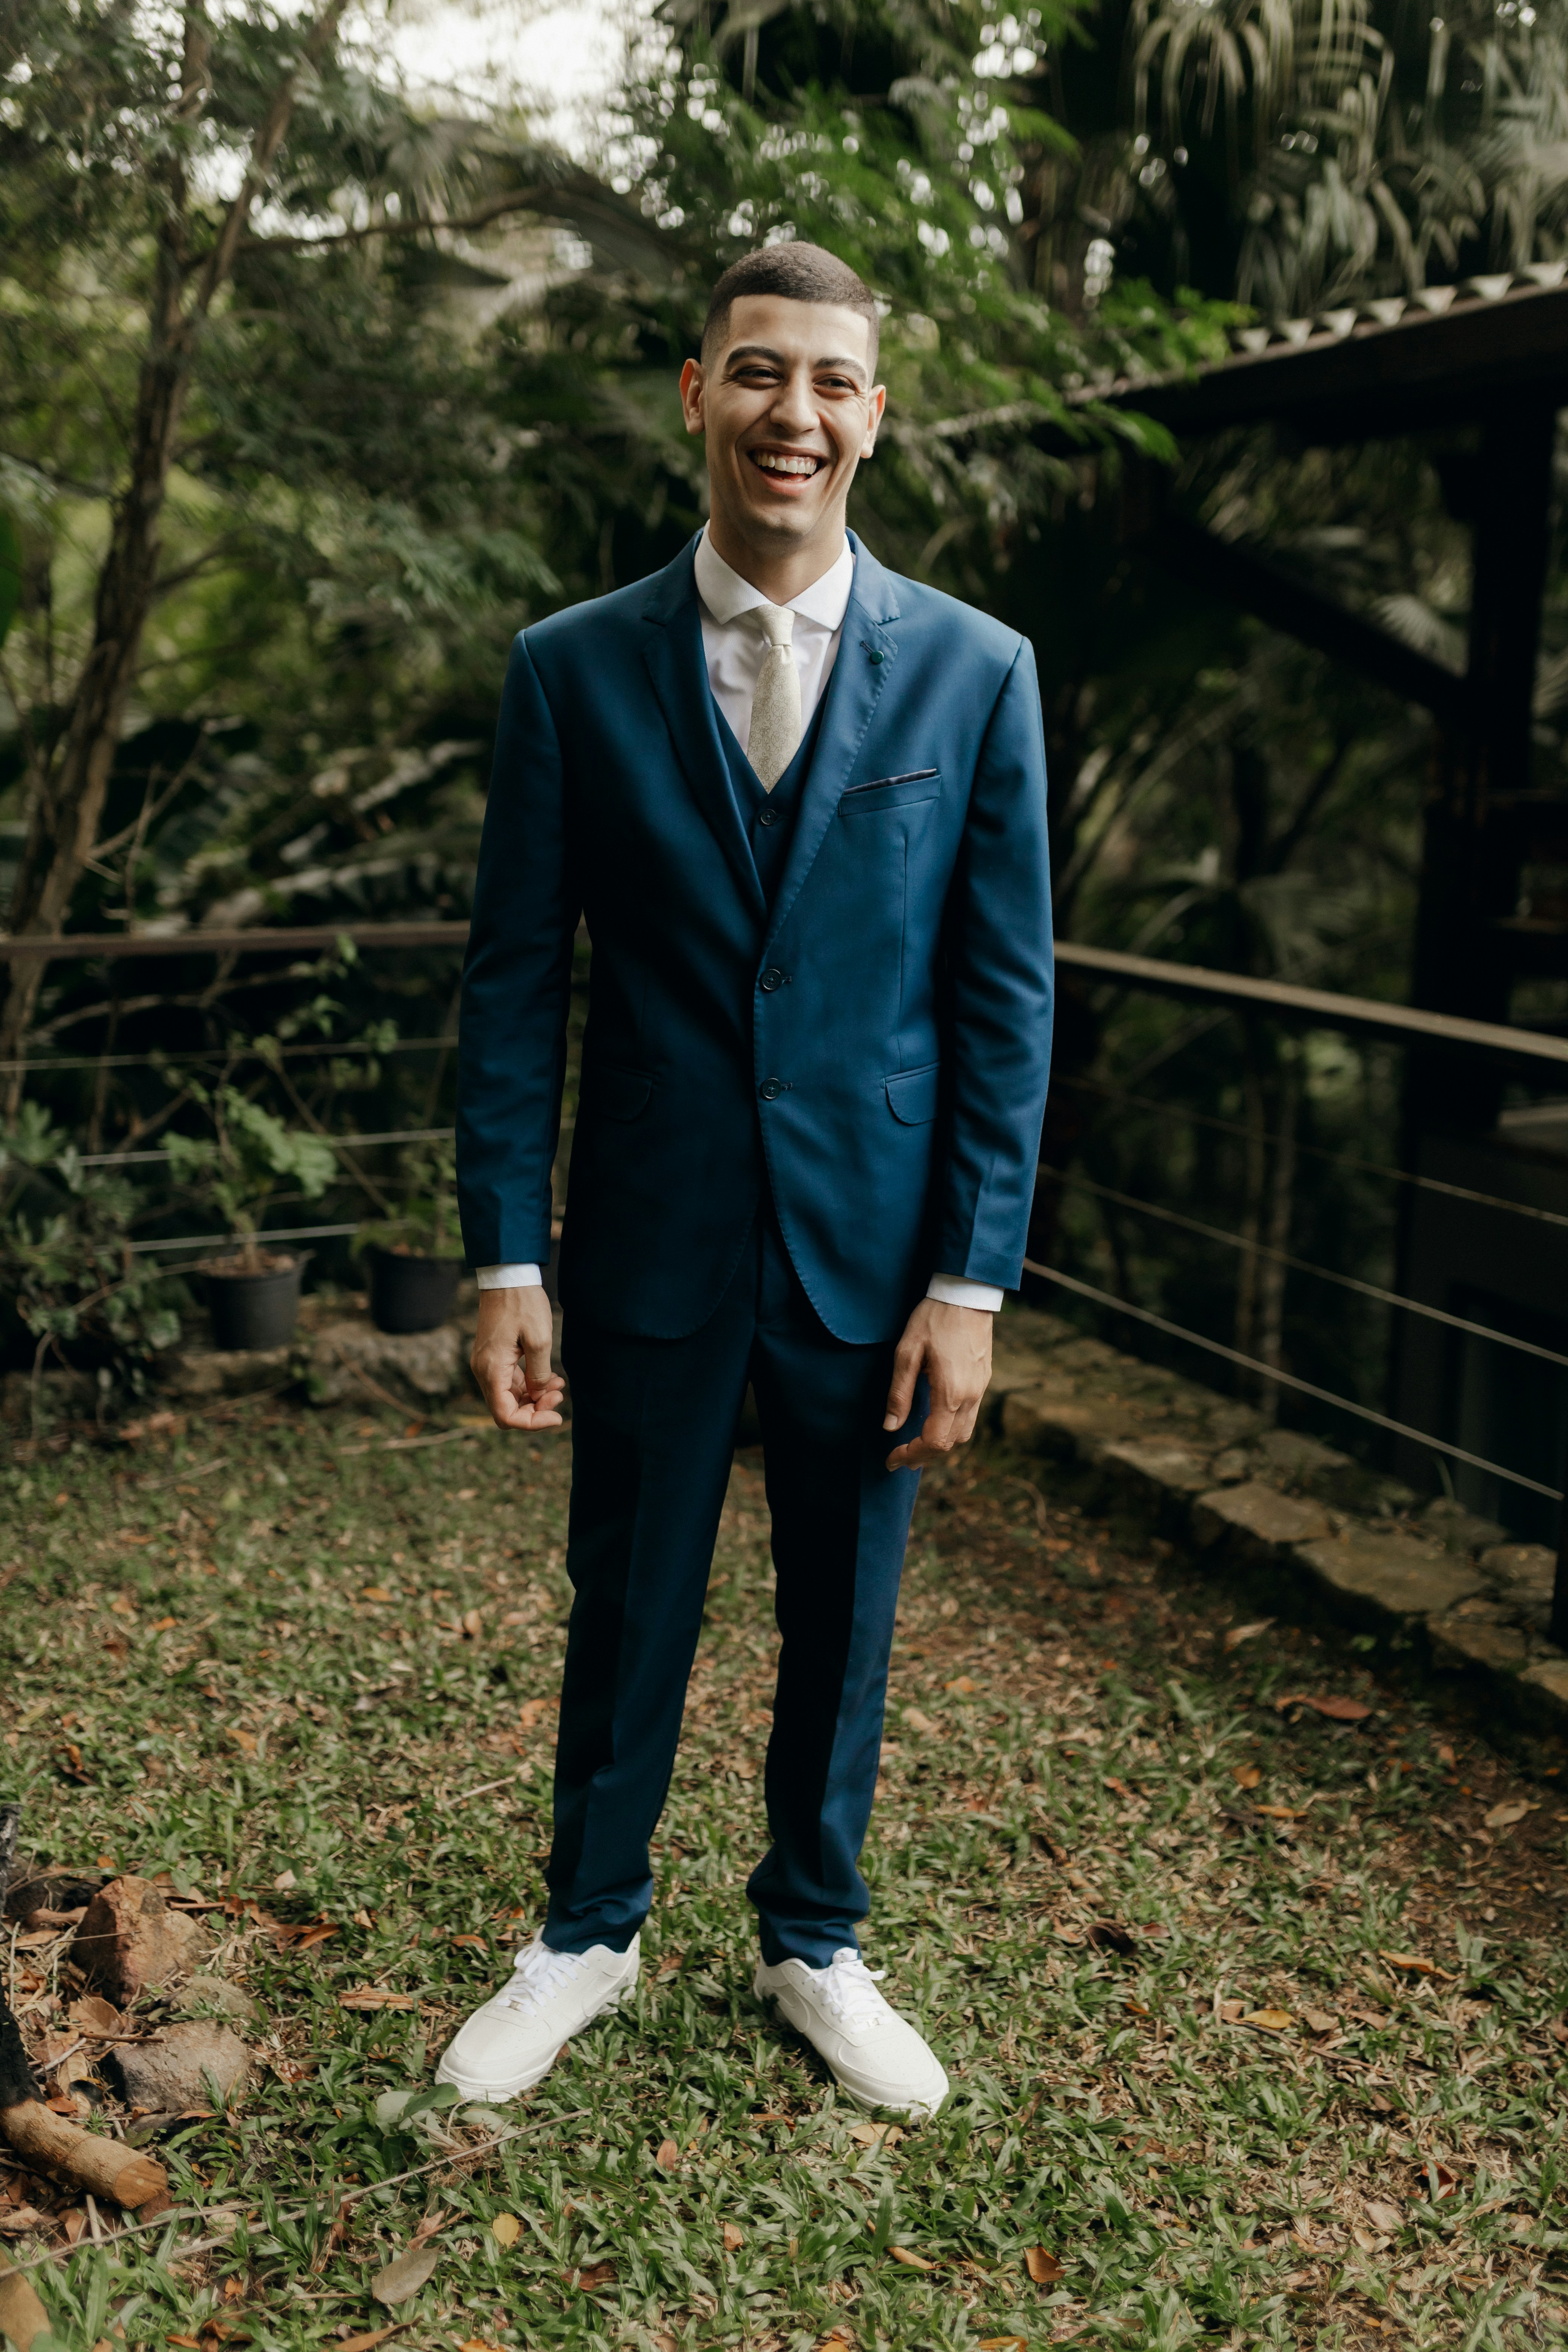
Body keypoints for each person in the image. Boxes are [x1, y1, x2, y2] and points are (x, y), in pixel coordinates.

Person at [441, 242, 1054, 2120]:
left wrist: (970, 1286)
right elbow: (513, 978)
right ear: (694, 392)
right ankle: (585, 1932)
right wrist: (498, 1254)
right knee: (627, 1594)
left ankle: (815, 1938)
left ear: (876, 415)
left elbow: (1003, 994)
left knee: (841, 1608)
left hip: (872, 1250)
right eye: (759, 374)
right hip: (645, 1227)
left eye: (833, 383)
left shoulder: (975, 671)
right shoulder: (570, 669)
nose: (796, 414)